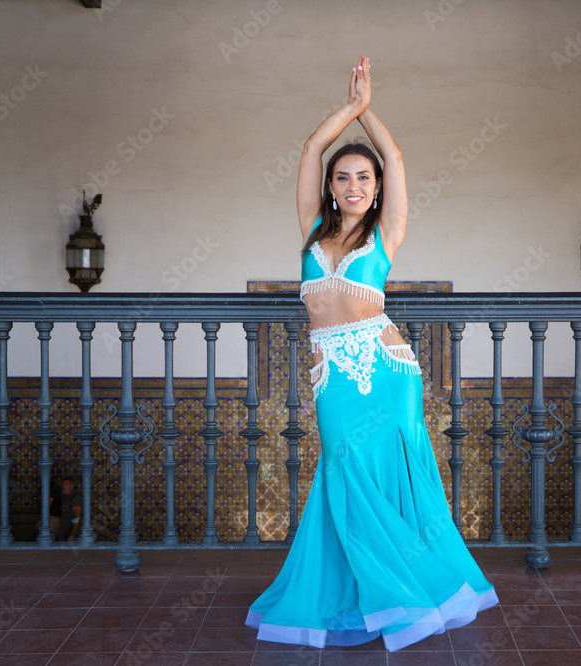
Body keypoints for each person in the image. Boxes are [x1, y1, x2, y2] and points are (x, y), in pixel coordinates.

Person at [245, 55, 498, 652]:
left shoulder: (386, 234)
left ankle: (405, 591)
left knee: (387, 480)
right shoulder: (312, 229)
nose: (353, 186)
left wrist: (372, 110)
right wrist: (348, 109)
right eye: (344, 178)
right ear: (331, 188)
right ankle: (361, 593)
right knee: (343, 473)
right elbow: (311, 148)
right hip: (333, 370)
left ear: (376, 186)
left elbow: (400, 159)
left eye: (364, 177)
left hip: (386, 371)